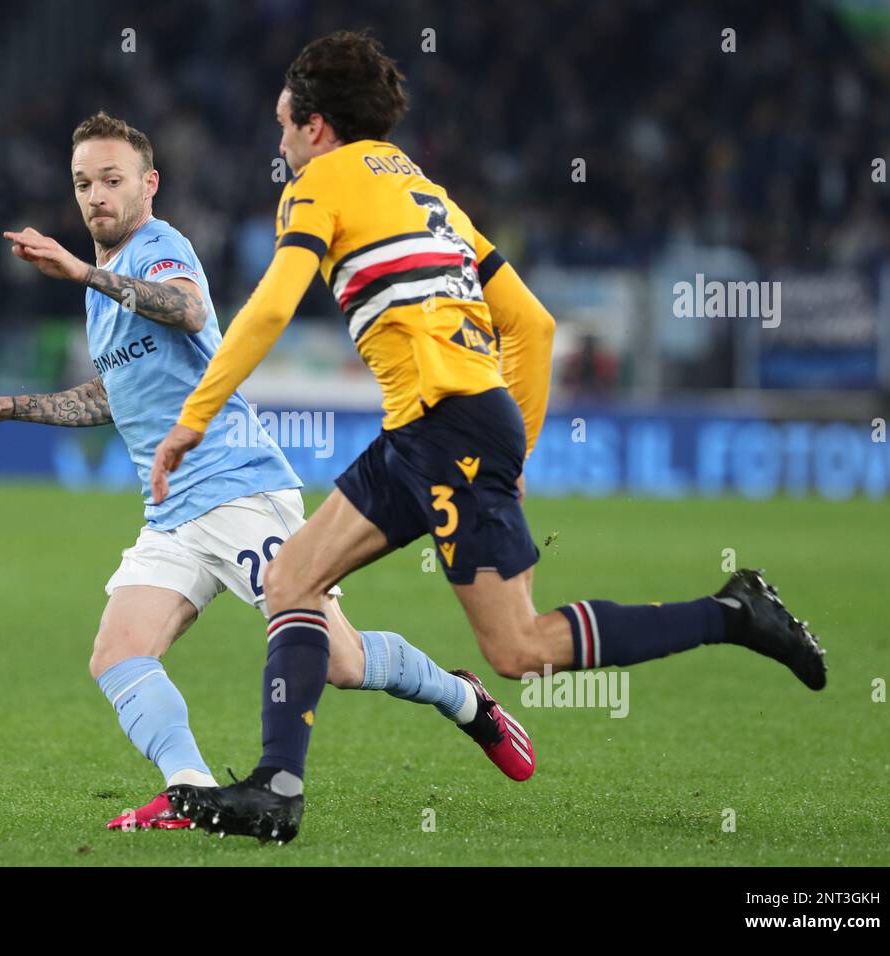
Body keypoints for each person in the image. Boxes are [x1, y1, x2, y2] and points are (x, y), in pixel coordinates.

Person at [151, 31, 826, 843]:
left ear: (319, 126)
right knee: (293, 578)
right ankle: (277, 790)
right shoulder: (425, 192)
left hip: (450, 427)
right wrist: (520, 450)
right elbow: (532, 327)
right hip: (437, 426)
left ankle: (734, 612)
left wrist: (195, 416)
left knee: (519, 647)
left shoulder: (318, 186)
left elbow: (268, 305)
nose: (281, 144)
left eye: (285, 126)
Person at [0, 112, 534, 833]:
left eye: (112, 180)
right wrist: (5, 407)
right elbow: (113, 398)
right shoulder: (102, 290)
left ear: (149, 184)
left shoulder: (159, 249)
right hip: (171, 512)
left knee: (341, 660)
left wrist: (84, 269)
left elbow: (186, 310)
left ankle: (463, 699)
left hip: (238, 488)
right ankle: (188, 791)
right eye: (84, 182)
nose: (96, 196)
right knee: (117, 653)